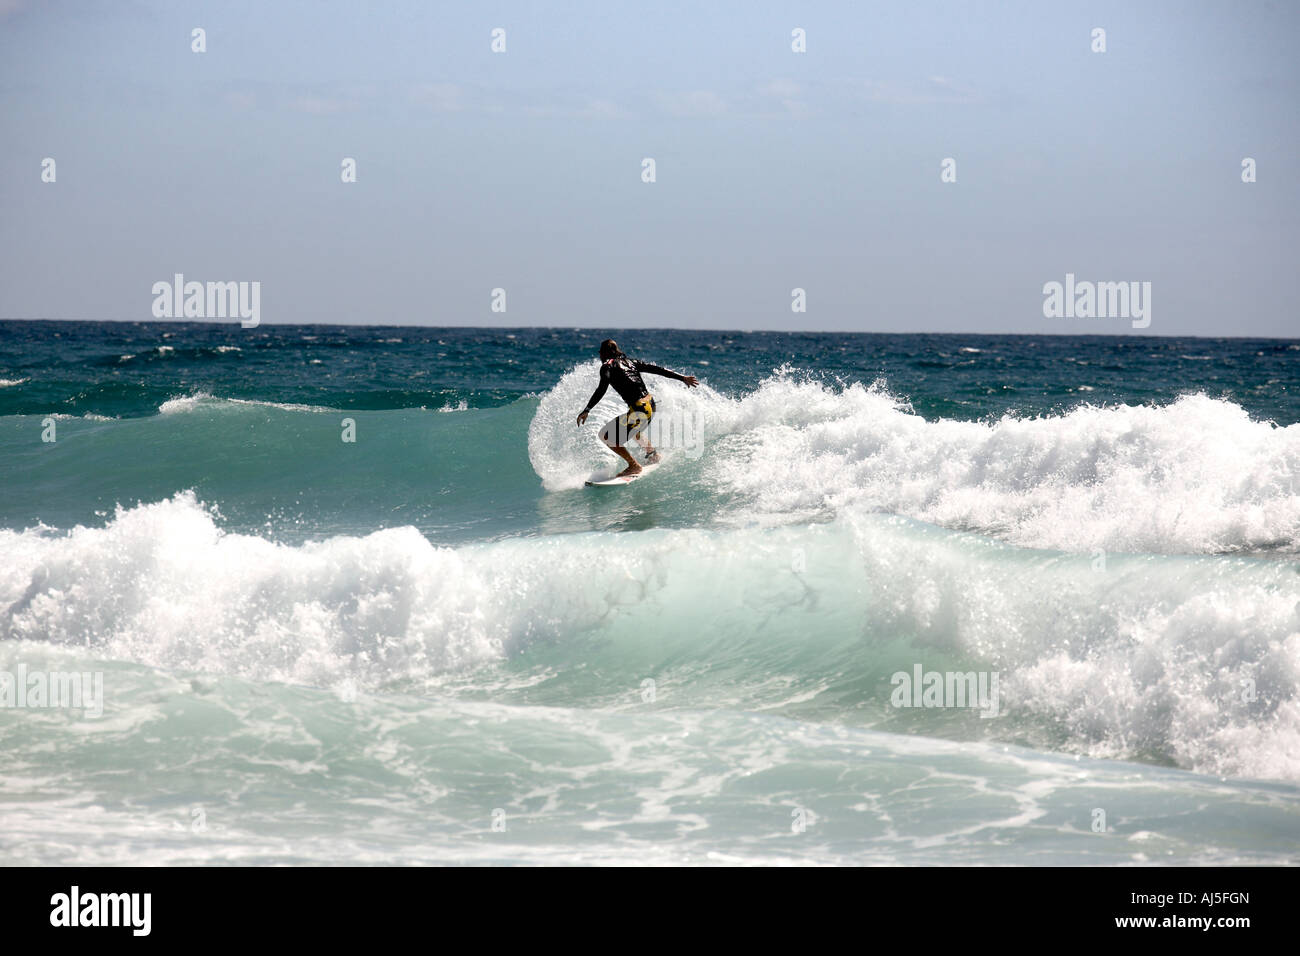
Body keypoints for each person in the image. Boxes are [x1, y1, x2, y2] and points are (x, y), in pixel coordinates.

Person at [576, 339, 698, 477]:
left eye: (600, 353)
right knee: (633, 428)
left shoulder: (607, 366)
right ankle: (652, 455)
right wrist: (682, 378)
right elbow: (657, 369)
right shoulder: (630, 362)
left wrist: (587, 409)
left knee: (606, 436)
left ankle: (633, 466)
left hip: (640, 409)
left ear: (604, 353)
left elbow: (602, 388)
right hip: (650, 404)